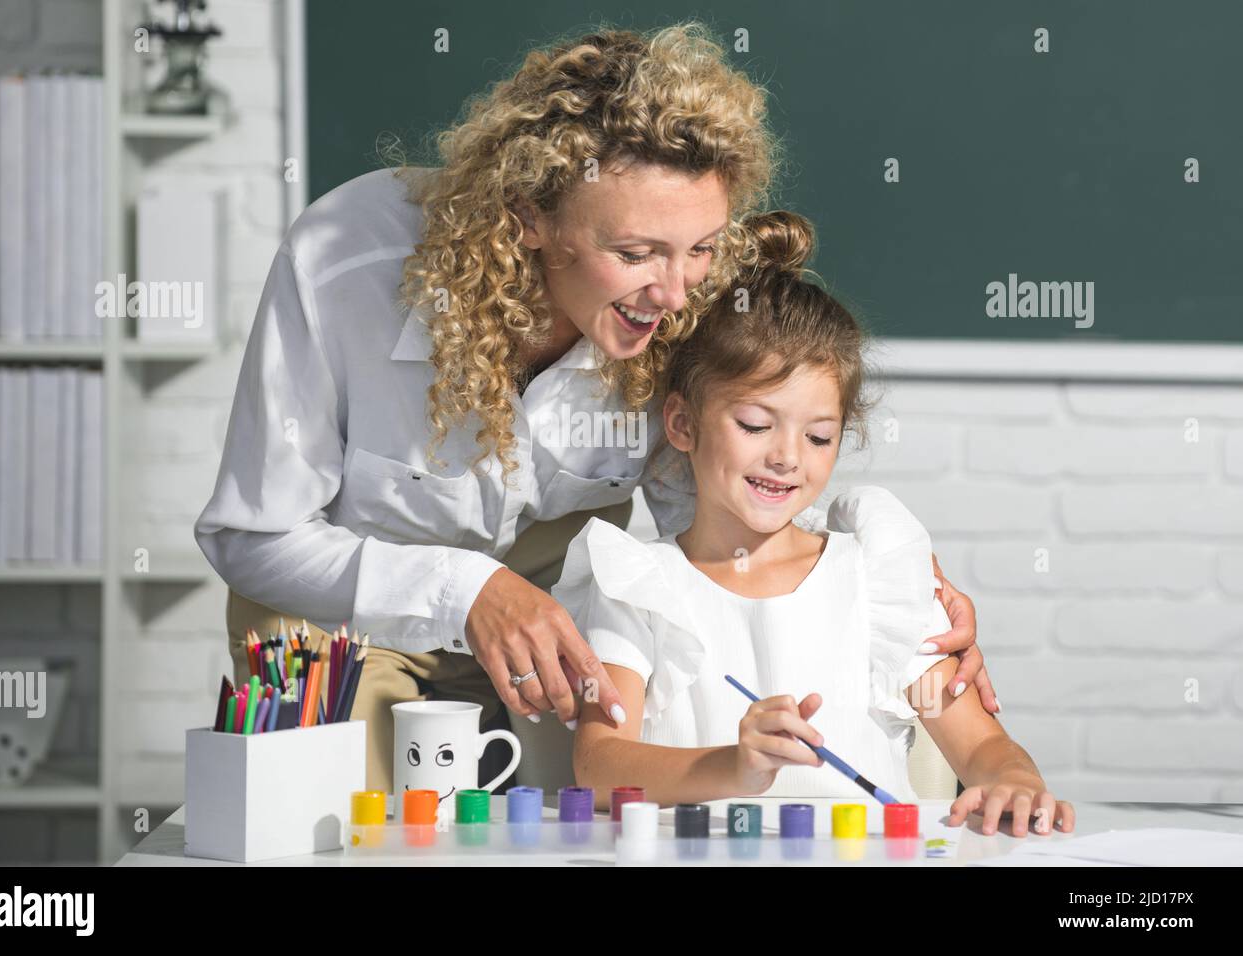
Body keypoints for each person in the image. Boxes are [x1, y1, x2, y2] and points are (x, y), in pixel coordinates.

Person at [194, 23, 995, 795]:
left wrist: (898, 592)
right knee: (350, 838)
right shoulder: (344, 266)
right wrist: (467, 591)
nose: (677, 293)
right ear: (529, 216)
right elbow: (252, 536)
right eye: (635, 254)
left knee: (571, 828)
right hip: (341, 621)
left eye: (702, 248)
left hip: (555, 619)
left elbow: (728, 509)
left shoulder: (694, 299)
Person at [557, 211, 1073, 837]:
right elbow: (599, 764)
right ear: (683, 424)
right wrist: (735, 767)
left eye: (820, 436)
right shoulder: (636, 582)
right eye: (754, 425)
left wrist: (1015, 780)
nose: (787, 457)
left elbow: (984, 748)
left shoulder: (878, 577)